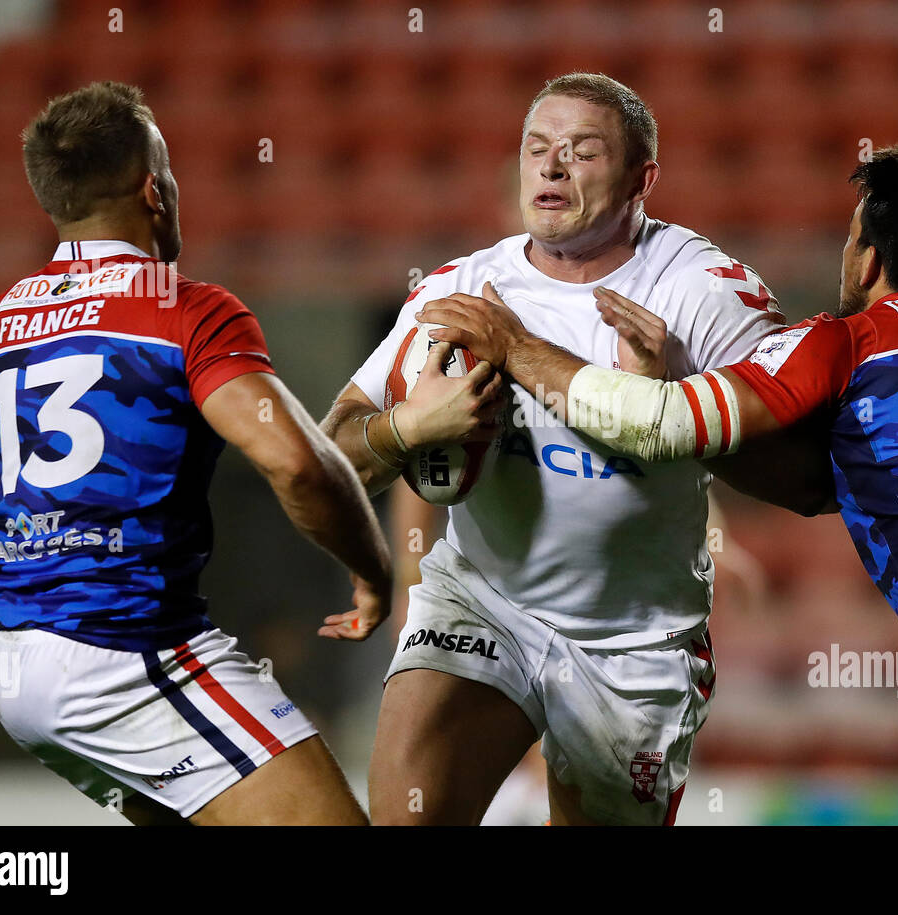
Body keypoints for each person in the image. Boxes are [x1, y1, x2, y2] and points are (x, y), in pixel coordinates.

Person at [419, 139, 898, 826]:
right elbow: (824, 477)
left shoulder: (848, 339)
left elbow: (656, 424)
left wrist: (517, 345)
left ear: (868, 257)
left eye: (850, 238)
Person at [319, 72, 831, 825]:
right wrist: (407, 431)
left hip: (637, 641)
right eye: (537, 149)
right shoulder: (459, 290)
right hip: (485, 601)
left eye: (581, 151)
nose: (552, 167)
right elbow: (334, 446)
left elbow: (809, 480)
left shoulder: (704, 293)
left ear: (641, 178)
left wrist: (674, 412)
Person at [0, 81, 392, 825]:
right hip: (126, 652)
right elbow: (296, 462)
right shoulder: (187, 309)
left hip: (17, 667)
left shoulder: (1, 319)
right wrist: (373, 568)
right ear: (153, 190)